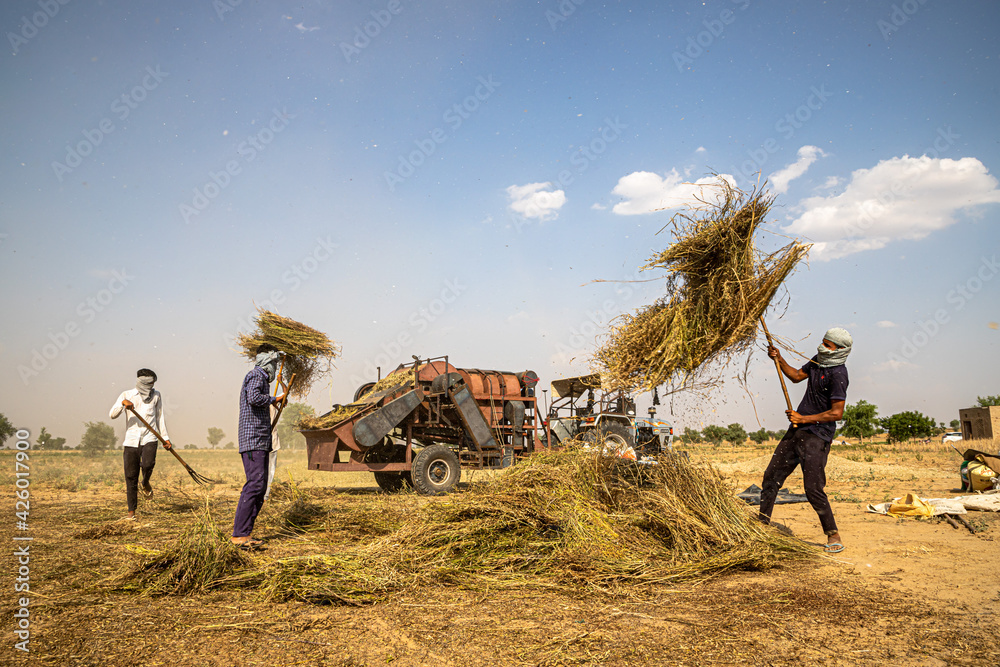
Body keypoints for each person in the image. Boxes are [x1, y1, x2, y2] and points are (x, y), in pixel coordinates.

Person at [759, 327, 851, 553]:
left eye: (827, 345)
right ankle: (761, 524)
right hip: (796, 431)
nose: (822, 347)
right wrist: (778, 358)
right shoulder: (818, 361)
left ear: (839, 350)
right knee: (771, 477)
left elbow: (836, 413)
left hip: (817, 436)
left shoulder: (839, 373)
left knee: (813, 488)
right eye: (823, 342)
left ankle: (833, 534)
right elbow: (796, 376)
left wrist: (804, 417)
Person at [232, 345, 286, 548]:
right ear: (267, 362)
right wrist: (274, 398)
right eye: (274, 363)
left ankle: (246, 534)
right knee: (255, 484)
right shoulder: (257, 375)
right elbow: (253, 398)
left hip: (261, 439)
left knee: (261, 487)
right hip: (253, 439)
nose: (275, 367)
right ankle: (239, 534)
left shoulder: (259, 377)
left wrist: (273, 402)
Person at [109, 368, 172, 519]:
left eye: (153, 383)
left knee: (148, 464)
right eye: (148, 383)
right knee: (131, 476)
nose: (151, 386)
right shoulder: (126, 395)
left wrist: (165, 438)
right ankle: (131, 512)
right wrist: (123, 404)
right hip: (131, 441)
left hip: (150, 437)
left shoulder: (156, 395)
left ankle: (146, 482)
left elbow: (159, 417)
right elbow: (112, 415)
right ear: (141, 382)